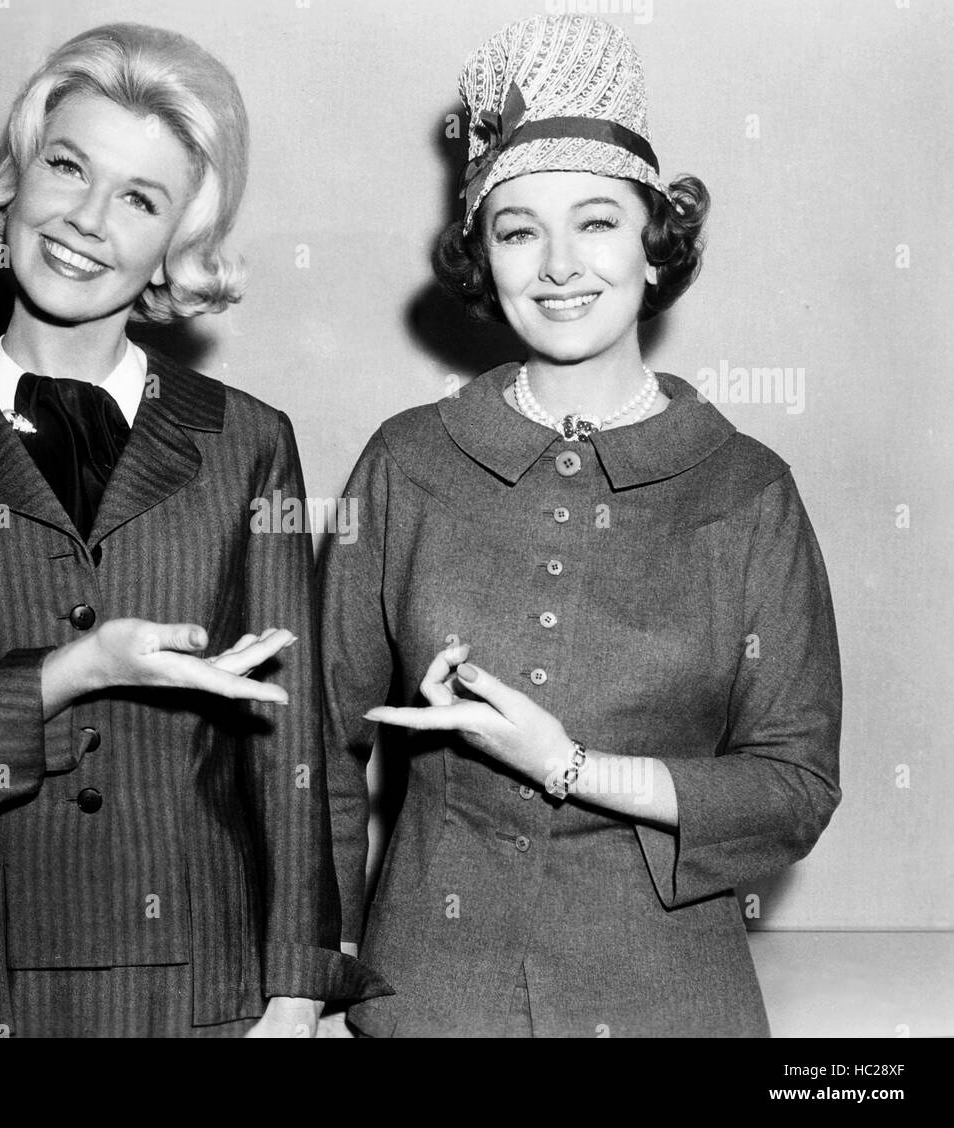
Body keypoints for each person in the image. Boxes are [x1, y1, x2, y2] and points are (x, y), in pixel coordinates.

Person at [0, 22, 384, 1037]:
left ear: (177, 242)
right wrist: (66, 671)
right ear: (16, 178)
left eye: (140, 199)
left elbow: (290, 746)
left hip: (207, 999)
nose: (86, 220)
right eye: (68, 167)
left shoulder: (247, 441)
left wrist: (296, 996)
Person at [320, 15, 841, 1037]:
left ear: (654, 248)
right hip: (432, 1001)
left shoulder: (746, 490)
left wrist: (572, 768)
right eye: (518, 231)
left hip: (669, 1005)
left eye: (596, 222)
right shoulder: (407, 463)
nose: (559, 264)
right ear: (484, 261)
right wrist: (313, 971)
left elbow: (794, 789)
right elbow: (316, 749)